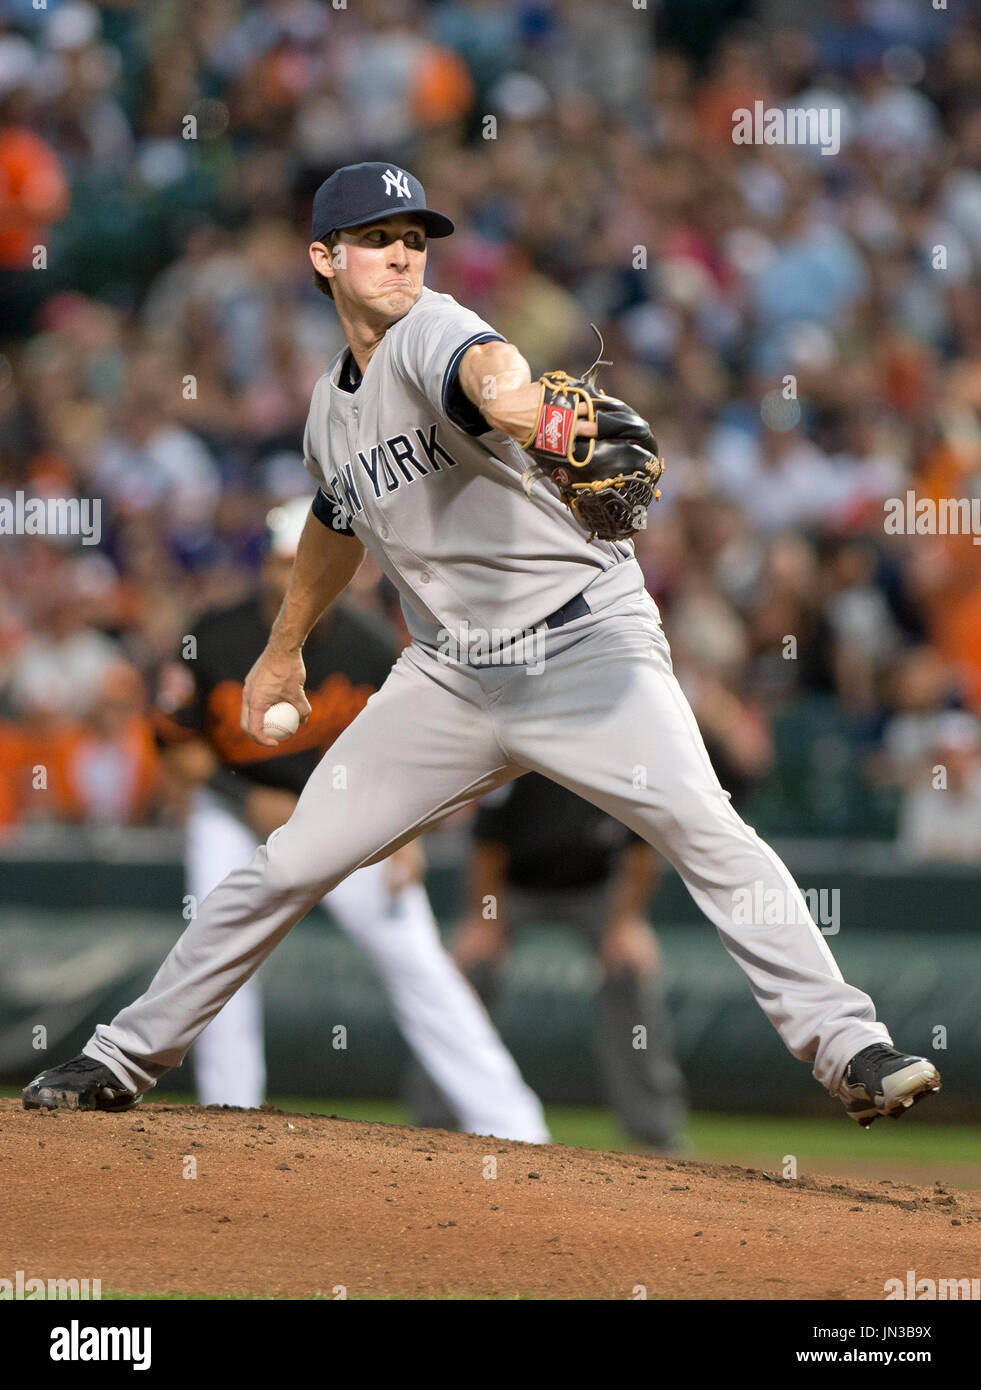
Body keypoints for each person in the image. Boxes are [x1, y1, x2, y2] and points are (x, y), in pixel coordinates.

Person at [25, 162, 941, 1130]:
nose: (403, 256)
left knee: (704, 828)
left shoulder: (434, 332)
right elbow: (337, 524)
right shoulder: (327, 415)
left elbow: (492, 377)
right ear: (324, 258)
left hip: (583, 642)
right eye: (379, 239)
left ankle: (851, 1048)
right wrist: (285, 644)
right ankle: (120, 1059)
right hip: (451, 678)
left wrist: (534, 413)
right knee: (287, 862)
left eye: (415, 239)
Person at [152, 495, 547, 1140]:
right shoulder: (214, 636)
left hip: (342, 812)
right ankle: (228, 1116)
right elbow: (176, 745)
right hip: (231, 810)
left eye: (303, 560)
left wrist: (405, 832)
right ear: (266, 570)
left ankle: (514, 1127)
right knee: (221, 946)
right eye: (283, 563)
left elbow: (409, 749)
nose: (293, 575)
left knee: (416, 958)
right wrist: (245, 799)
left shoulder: (368, 644)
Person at [406, 774, 688, 1154]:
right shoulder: (521, 762)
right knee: (470, 969)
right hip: (513, 888)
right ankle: (436, 1121)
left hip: (596, 890)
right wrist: (484, 922)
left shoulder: (619, 765)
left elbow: (642, 849)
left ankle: (654, 1131)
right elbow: (487, 847)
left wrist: (627, 922)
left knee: (629, 969)